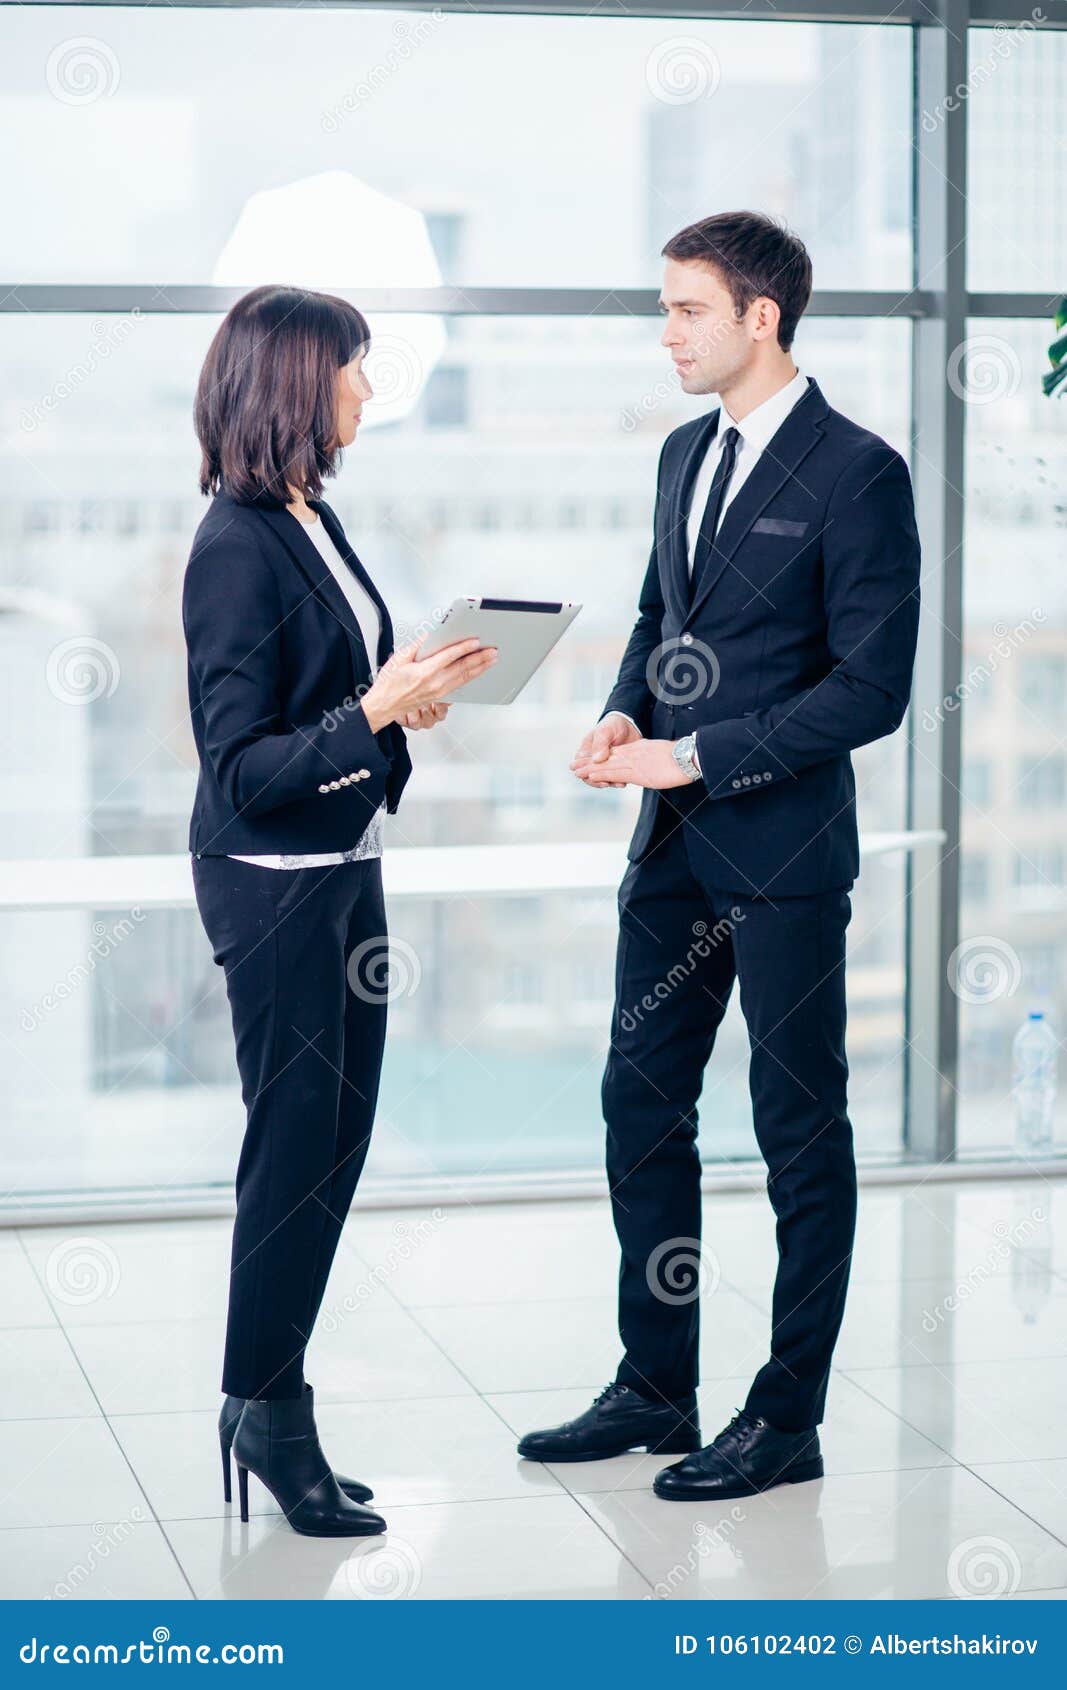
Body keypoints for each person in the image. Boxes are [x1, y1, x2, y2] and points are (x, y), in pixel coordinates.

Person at [517, 211, 921, 1500]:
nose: (667, 331)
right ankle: (654, 1384)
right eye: (664, 308)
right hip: (671, 848)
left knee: (797, 1127)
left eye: (687, 308)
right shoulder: (684, 452)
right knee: (639, 1102)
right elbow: (659, 614)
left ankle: (784, 1413)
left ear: (762, 318)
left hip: (783, 850)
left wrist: (694, 754)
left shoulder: (858, 472)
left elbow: (871, 688)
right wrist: (627, 709)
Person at [183, 284, 497, 1537]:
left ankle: (271, 1399)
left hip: (344, 860)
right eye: (354, 368)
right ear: (293, 384)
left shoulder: (313, 516)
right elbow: (240, 768)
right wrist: (370, 714)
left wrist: (400, 702)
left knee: (337, 1142)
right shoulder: (231, 544)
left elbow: (336, 705)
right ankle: (267, 1408)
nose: (368, 388)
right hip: (271, 888)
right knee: (291, 1150)